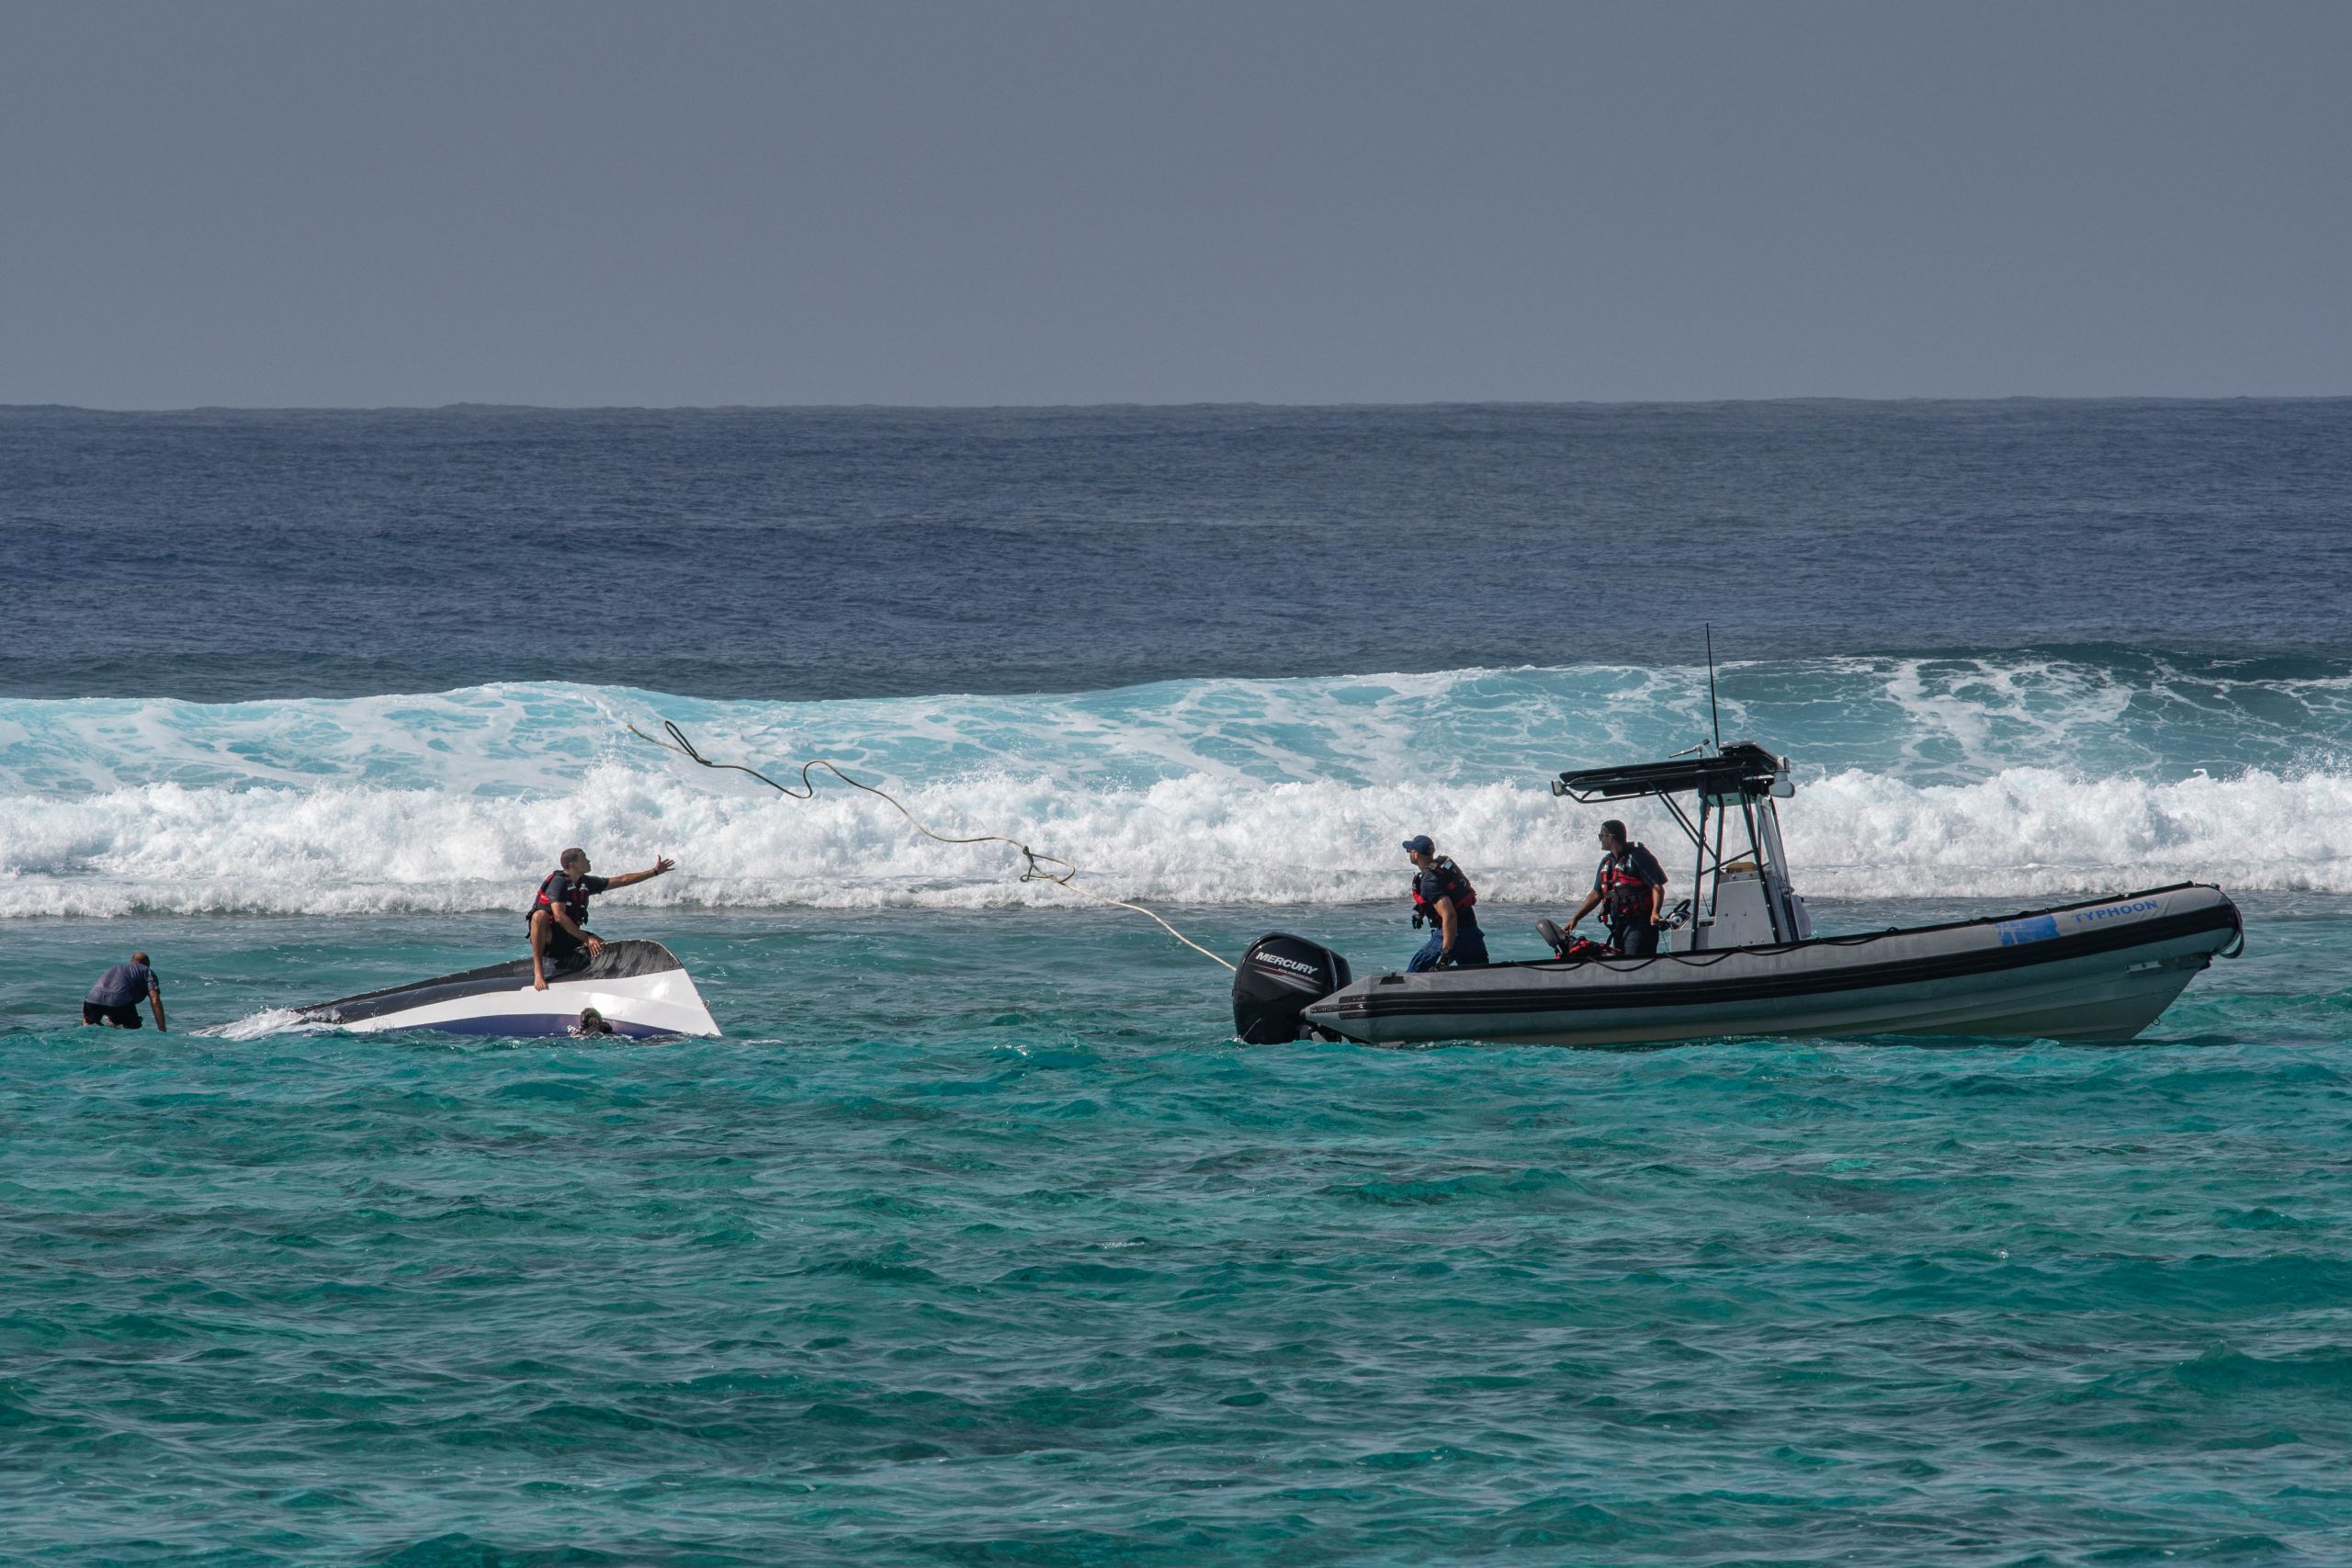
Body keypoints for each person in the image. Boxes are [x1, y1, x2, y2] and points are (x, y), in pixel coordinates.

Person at [529, 847, 676, 990]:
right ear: (573, 865)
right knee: (539, 916)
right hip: (548, 938)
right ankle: (538, 970)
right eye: (584, 858)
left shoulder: (584, 882)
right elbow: (559, 916)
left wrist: (655, 871)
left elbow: (622, 880)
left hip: (568, 936)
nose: (589, 861)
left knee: (607, 950)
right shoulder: (558, 882)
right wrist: (586, 939)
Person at [1553, 819, 1669, 956]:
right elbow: (1596, 894)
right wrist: (1576, 918)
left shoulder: (1639, 857)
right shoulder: (1607, 862)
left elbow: (1657, 887)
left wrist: (1655, 912)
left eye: (1601, 836)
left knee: (1633, 962)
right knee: (1620, 962)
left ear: (1610, 837)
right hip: (1618, 926)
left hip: (1640, 925)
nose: (1600, 840)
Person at [1402, 834, 1489, 972]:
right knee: (1482, 976)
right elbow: (1448, 895)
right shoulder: (1441, 868)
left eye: (1410, 851)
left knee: (1414, 972)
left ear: (1416, 854)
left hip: (1450, 934)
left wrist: (1446, 952)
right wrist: (1421, 911)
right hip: (1471, 932)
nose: (1408, 853)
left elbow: (1449, 915)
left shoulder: (1428, 881)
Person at [83, 952, 165, 1032]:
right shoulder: (147, 970)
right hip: (119, 1003)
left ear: (131, 961)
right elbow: (155, 1001)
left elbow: (107, 994)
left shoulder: (115, 968)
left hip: (92, 1000)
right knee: (134, 1031)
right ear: (147, 964)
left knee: (88, 1025)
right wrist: (162, 1031)